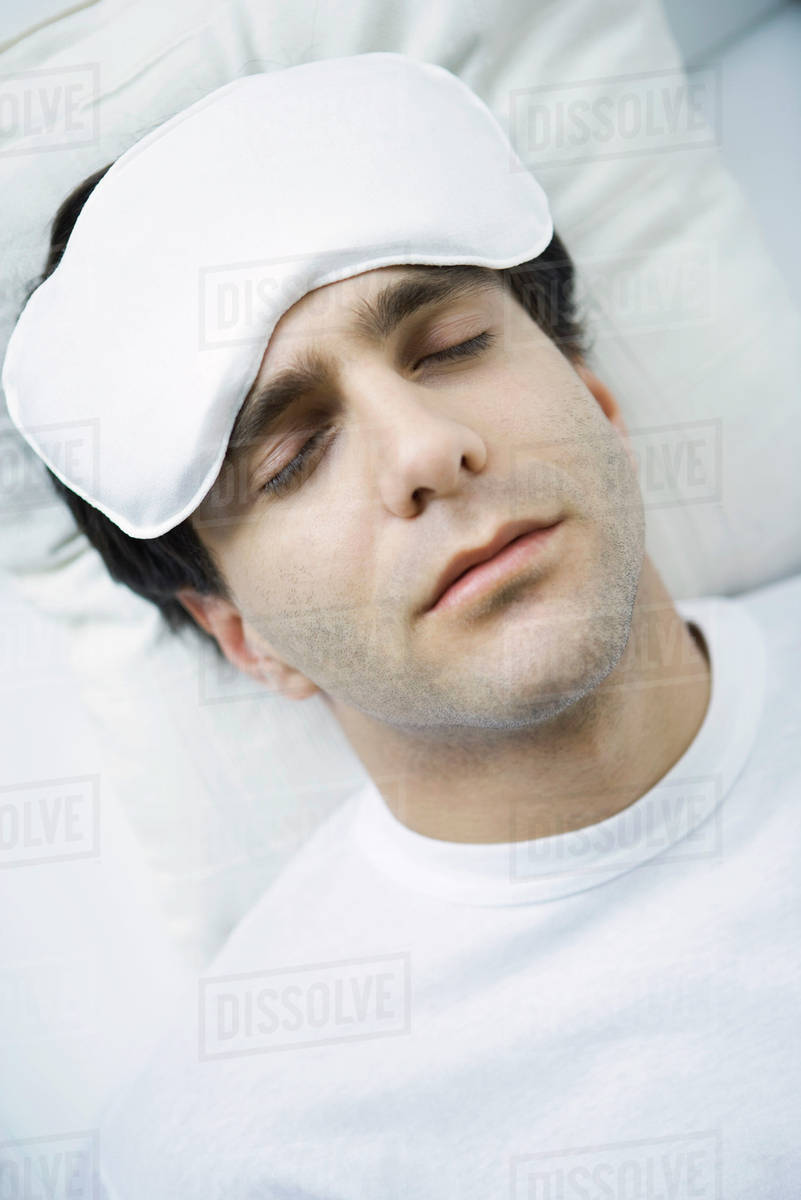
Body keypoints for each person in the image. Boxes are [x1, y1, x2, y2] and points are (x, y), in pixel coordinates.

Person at [4, 53, 800, 1200]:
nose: (427, 450)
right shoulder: (220, 1160)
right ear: (243, 637)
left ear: (600, 404)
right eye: (293, 455)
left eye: (450, 348)